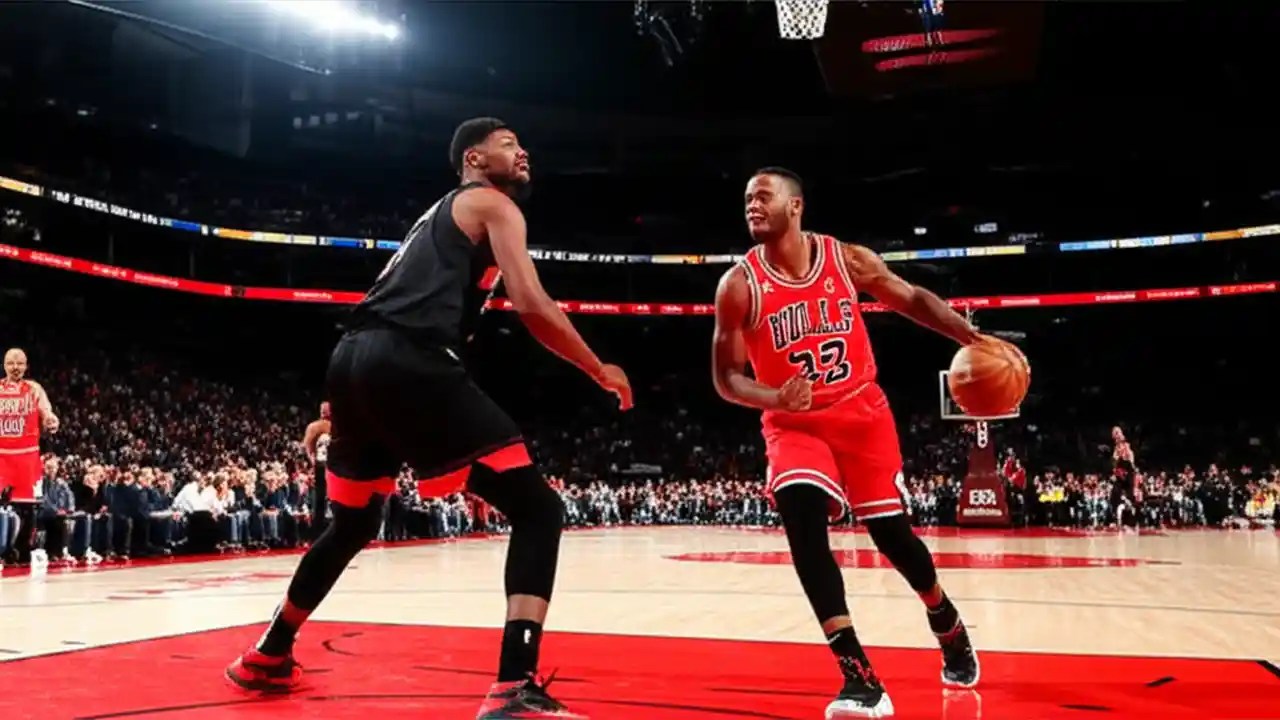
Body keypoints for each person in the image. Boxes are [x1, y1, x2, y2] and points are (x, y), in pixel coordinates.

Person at [225, 117, 631, 720]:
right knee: (539, 509)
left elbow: (386, 309)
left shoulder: (435, 219)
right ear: (474, 158)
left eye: (523, 143)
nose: (523, 152)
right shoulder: (493, 204)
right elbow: (531, 302)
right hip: (408, 358)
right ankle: (514, 686)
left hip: (354, 358)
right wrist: (597, 366)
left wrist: (342, 403)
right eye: (509, 144)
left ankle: (269, 651)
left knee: (356, 522)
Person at [711, 168, 983, 717]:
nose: (752, 206)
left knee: (895, 541)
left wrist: (970, 337)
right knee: (802, 520)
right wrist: (774, 398)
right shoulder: (738, 285)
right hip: (794, 422)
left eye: (763, 197)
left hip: (862, 413)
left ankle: (944, 618)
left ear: (796, 205)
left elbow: (909, 298)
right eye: (746, 200)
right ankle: (858, 676)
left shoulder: (845, 259)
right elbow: (726, 378)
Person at [0, 348, 60, 565]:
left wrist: (51, 420)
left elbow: (47, 411)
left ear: (25, 366)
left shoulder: (33, 388)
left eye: (19, 363)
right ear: (5, 365)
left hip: (26, 456)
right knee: (2, 505)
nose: (15, 367)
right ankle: (3, 549)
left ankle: (21, 551)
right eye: (10, 363)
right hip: (2, 456)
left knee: (27, 507)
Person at [302, 401, 332, 537]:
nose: (324, 411)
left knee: (332, 500)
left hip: (333, 466)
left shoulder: (337, 426)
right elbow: (307, 446)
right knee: (320, 499)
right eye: (323, 409)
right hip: (321, 465)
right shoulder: (314, 427)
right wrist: (312, 462)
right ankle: (317, 532)